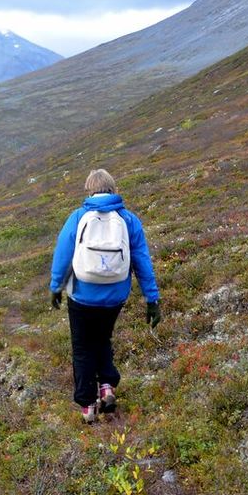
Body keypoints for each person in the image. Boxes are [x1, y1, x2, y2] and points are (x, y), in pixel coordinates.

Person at [49, 169, 160, 423]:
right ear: (113, 188)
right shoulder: (129, 220)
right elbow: (142, 261)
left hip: (82, 296)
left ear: (89, 190)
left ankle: (88, 405)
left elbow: (62, 254)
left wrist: (56, 286)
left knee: (82, 347)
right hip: (115, 296)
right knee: (102, 338)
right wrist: (151, 299)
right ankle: (107, 386)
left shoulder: (78, 217)